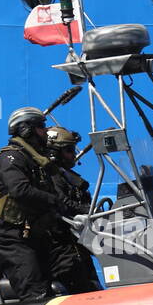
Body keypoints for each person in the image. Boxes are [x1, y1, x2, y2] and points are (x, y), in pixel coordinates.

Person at [0, 106, 73, 302]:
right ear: (26, 130)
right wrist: (54, 201)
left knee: (53, 287)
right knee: (35, 294)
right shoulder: (11, 158)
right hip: (12, 238)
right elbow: (19, 191)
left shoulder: (33, 159)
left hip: (34, 234)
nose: (45, 132)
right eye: (41, 127)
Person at [44, 125, 101, 293]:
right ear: (54, 153)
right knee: (81, 288)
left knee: (93, 286)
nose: (73, 155)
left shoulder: (67, 177)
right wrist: (87, 210)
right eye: (69, 150)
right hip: (63, 248)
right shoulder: (50, 177)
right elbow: (62, 203)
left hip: (79, 245)